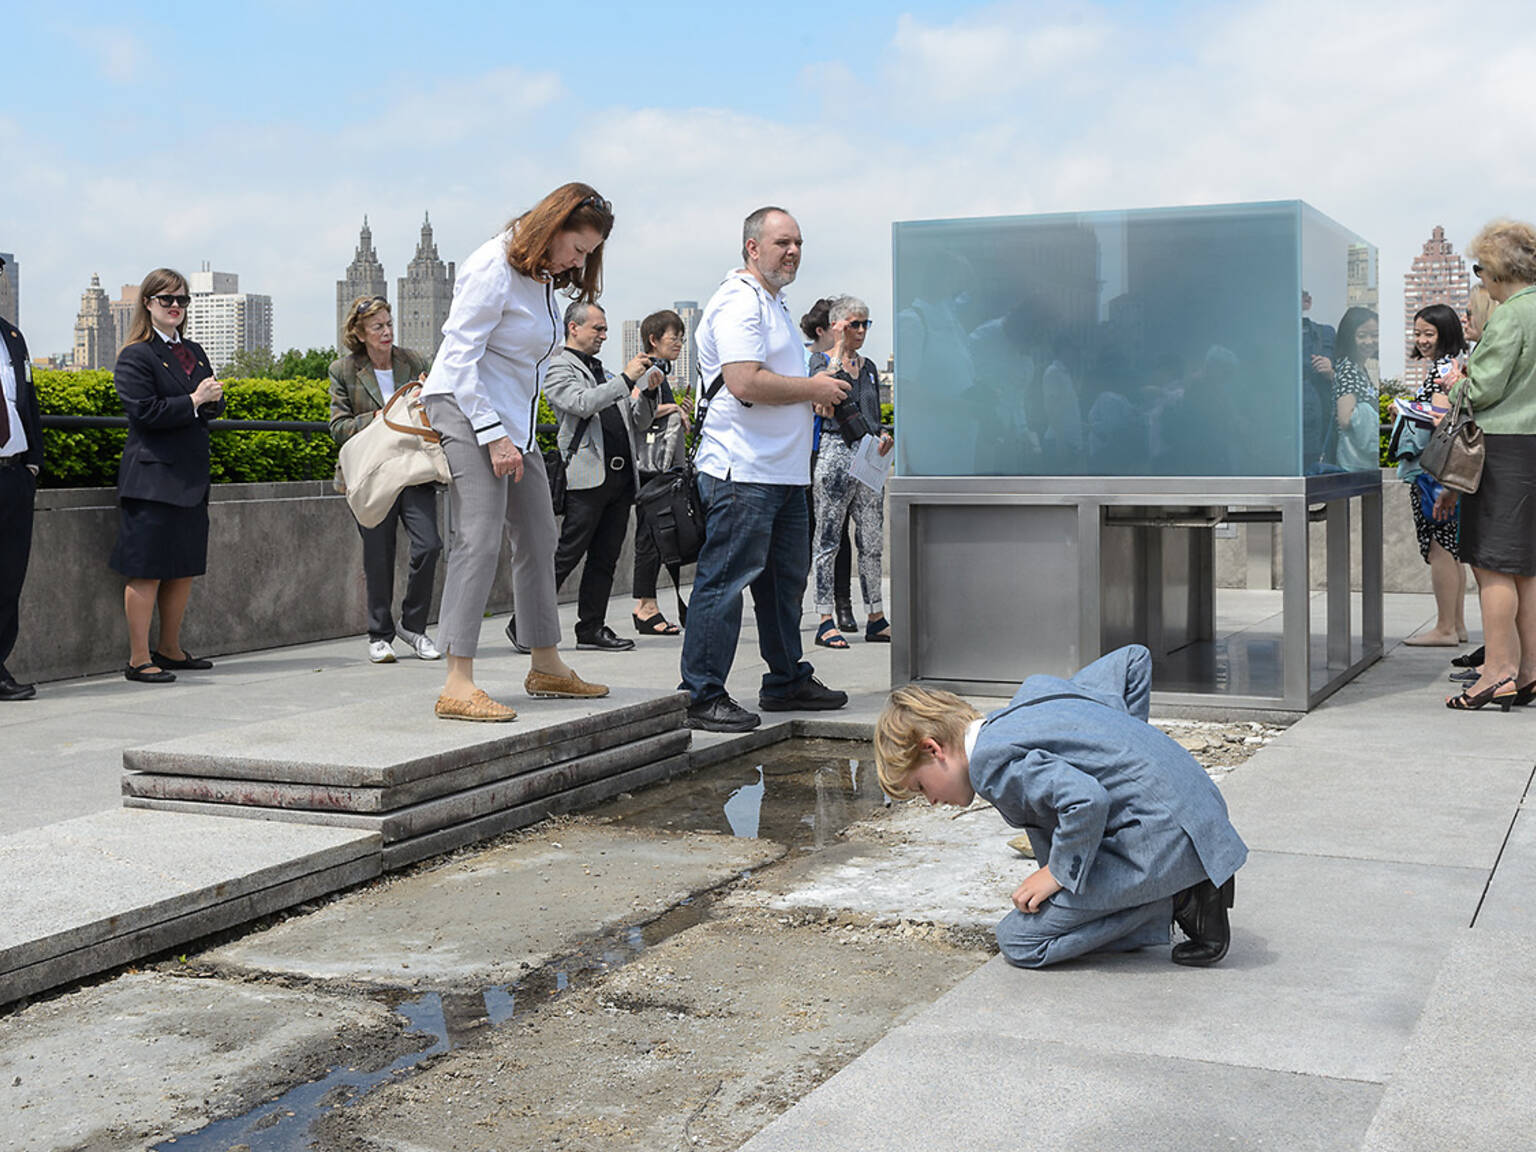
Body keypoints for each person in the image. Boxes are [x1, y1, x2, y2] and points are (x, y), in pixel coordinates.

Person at [874, 645, 1248, 969]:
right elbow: (1132, 662)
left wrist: (1057, 871)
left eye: (921, 787)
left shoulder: (990, 763)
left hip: (1167, 839)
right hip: (1199, 808)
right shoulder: (1035, 697)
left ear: (932, 749)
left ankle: (1179, 896)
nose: (933, 801)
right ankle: (1176, 885)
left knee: (1019, 940)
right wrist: (1130, 757)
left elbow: (1087, 799)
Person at [420, 183, 612, 722]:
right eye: (577, 248)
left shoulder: (540, 279)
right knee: (477, 538)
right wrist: (492, 434)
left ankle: (546, 662)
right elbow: (458, 360)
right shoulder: (492, 266)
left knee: (539, 533)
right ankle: (457, 681)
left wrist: (513, 435)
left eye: (588, 253)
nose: (580, 261)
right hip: (465, 407)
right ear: (551, 229)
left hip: (513, 422)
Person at [679, 206, 851, 732]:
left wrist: (810, 397)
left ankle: (785, 679)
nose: (793, 251)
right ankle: (701, 693)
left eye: (798, 242)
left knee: (783, 587)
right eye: (782, 243)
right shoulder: (738, 301)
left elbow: (774, 384)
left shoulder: (773, 303)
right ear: (752, 248)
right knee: (725, 583)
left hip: (783, 474)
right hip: (742, 472)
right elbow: (744, 381)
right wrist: (815, 388)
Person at [1433, 219, 1536, 711]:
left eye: (1481, 268)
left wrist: (1455, 382)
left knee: (1492, 564)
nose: (1481, 279)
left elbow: (1484, 389)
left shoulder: (1512, 315)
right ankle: (1531, 669)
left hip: (1505, 448)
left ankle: (1497, 671)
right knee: (1527, 569)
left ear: (1498, 268)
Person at [110, 268, 225, 684]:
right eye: (166, 300)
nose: (175, 306)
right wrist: (195, 398)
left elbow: (208, 405)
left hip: (191, 477)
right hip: (152, 480)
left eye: (181, 300)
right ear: (148, 304)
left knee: (182, 566)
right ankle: (139, 658)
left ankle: (170, 648)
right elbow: (145, 412)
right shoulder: (135, 355)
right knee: (147, 568)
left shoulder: (193, 349)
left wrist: (209, 400)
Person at [329, 295, 443, 665]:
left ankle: (414, 625)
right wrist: (380, 416)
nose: (386, 332)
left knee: (429, 545)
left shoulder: (413, 361)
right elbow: (338, 427)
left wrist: (429, 394)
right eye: (377, 326)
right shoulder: (343, 370)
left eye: (389, 324)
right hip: (372, 476)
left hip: (413, 469)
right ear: (359, 333)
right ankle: (380, 634)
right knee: (377, 556)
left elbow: (437, 406)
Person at [540, 300, 659, 651]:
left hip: (619, 481)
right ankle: (526, 623)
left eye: (606, 329)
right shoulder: (559, 368)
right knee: (567, 554)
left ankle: (591, 627)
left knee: (606, 557)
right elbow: (581, 404)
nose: (603, 335)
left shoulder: (603, 371)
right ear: (573, 328)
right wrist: (626, 379)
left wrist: (648, 393)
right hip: (586, 477)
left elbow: (636, 421)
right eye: (598, 328)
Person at [808, 295, 893, 649]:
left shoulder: (870, 367)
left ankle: (876, 615)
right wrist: (838, 347)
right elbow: (820, 399)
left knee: (871, 540)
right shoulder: (820, 361)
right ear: (839, 324)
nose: (861, 331)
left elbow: (871, 413)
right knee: (828, 538)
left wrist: (882, 436)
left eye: (865, 324)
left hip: (868, 456)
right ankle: (825, 617)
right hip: (833, 453)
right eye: (854, 324)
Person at [1402, 304, 1469, 648]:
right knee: (1451, 549)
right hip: (1448, 470)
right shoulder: (1456, 361)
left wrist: (1408, 410)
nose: (1422, 340)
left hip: (1433, 471)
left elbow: (1442, 418)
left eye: (1429, 333)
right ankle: (1456, 625)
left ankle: (1444, 628)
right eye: (1417, 333)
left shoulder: (1444, 368)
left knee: (1439, 548)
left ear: (1446, 332)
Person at [630, 308, 691, 636]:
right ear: (654, 340)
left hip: (660, 466)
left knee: (656, 536)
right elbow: (636, 411)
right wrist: (672, 409)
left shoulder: (661, 371)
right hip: (651, 468)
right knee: (649, 537)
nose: (679, 343)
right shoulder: (645, 369)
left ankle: (648, 603)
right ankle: (645, 606)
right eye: (673, 338)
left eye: (682, 338)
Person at [0, 255, 43, 701]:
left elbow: (27, 403)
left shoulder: (11, 337)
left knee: (8, 576)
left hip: (12, 475)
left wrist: (33, 463)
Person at [800, 296, 856, 634]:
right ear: (824, 329)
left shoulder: (854, 363)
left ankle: (843, 603)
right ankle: (813, 607)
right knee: (812, 532)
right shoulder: (810, 362)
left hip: (837, 454)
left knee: (841, 533)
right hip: (809, 455)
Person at [1330, 306, 1379, 472]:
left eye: (1374, 336)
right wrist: (1370, 413)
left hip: (1361, 459)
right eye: (1361, 336)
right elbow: (1345, 418)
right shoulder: (1348, 368)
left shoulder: (1360, 367)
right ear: (1349, 337)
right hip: (1352, 459)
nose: (1369, 342)